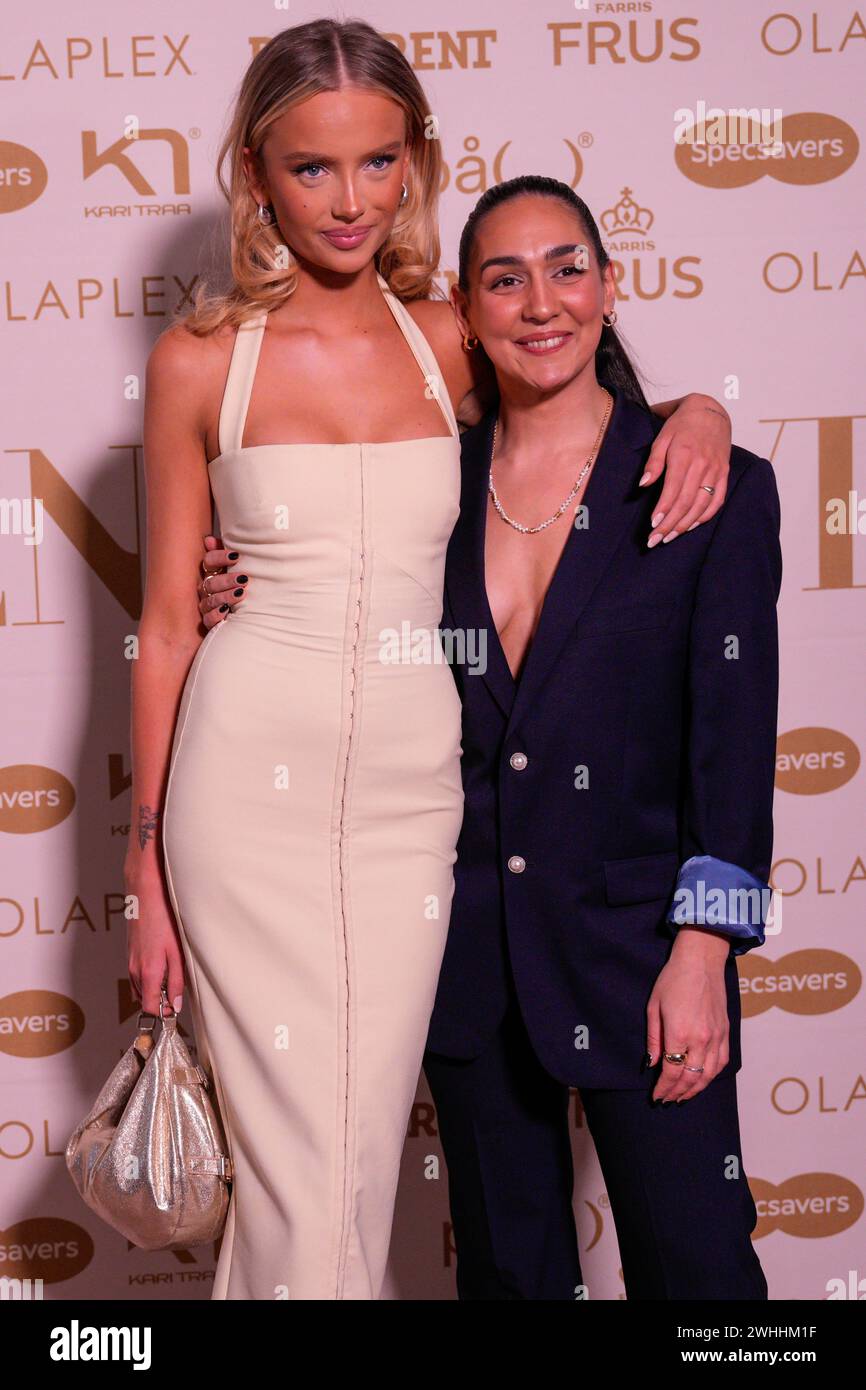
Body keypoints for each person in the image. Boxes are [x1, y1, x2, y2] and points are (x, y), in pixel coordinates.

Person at [144, 21, 733, 1301]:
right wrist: (142, 869)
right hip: (245, 788)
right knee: (305, 1165)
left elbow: (583, 387)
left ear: (412, 163)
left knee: (353, 1157)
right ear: (255, 174)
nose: (349, 201)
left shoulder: (450, 338)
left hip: (419, 803)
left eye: (376, 165)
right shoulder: (197, 362)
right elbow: (170, 624)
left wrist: (701, 411)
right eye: (311, 169)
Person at [422, 177, 780, 1300]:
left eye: (566, 267)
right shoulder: (426, 496)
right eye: (503, 277)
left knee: (701, 1277)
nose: (540, 302)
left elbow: (733, 747)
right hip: (469, 972)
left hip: (647, 960)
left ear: (608, 287)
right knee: (509, 1282)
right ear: (465, 311)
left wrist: (702, 954)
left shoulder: (707, 483)